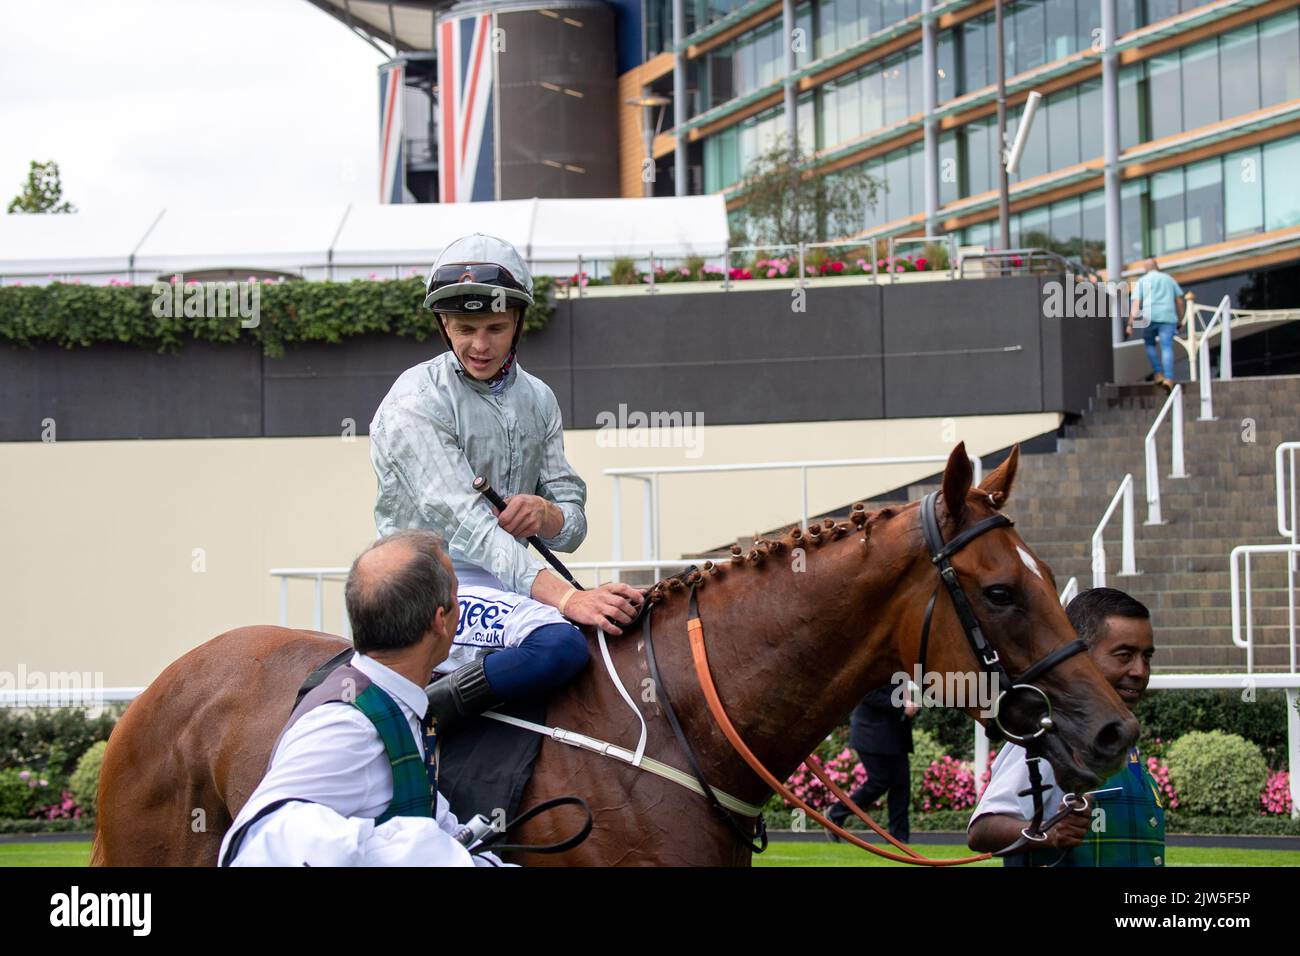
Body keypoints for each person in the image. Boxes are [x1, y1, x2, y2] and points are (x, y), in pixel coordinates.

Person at [367, 234, 643, 732]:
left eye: (495, 327)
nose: (480, 344)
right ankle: (418, 723)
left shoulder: (538, 398)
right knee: (557, 642)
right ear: (444, 324)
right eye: (466, 328)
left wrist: (546, 512)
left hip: (507, 585)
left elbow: (571, 524)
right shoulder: (414, 401)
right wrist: (567, 598)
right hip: (424, 586)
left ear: (518, 323)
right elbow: (472, 528)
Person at [219, 530, 508, 866]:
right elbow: (260, 844)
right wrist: (411, 852)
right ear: (440, 621)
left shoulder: (397, 701)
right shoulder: (346, 726)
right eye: (458, 598)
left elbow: (435, 830)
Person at [967, 587, 1165, 867]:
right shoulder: (1048, 735)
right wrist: (1048, 833)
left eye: (1147, 657)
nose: (1140, 671)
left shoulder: (1113, 735)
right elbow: (982, 831)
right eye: (1124, 655)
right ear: (1077, 657)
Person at [825, 684, 918, 843]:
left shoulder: (898, 664)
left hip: (896, 734)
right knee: (880, 781)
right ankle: (835, 814)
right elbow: (868, 694)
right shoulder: (876, 664)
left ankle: (898, 839)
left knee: (901, 786)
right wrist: (902, 705)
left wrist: (909, 701)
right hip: (871, 734)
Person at [1127, 257, 1186, 393]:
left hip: (1149, 316)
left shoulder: (1142, 281)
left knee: (1149, 344)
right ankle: (1169, 379)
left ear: (1145, 269)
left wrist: (1130, 324)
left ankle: (1158, 373)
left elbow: (1136, 304)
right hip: (1168, 317)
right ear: (1157, 266)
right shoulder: (1168, 279)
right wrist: (1180, 319)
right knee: (1167, 347)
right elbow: (1180, 302)